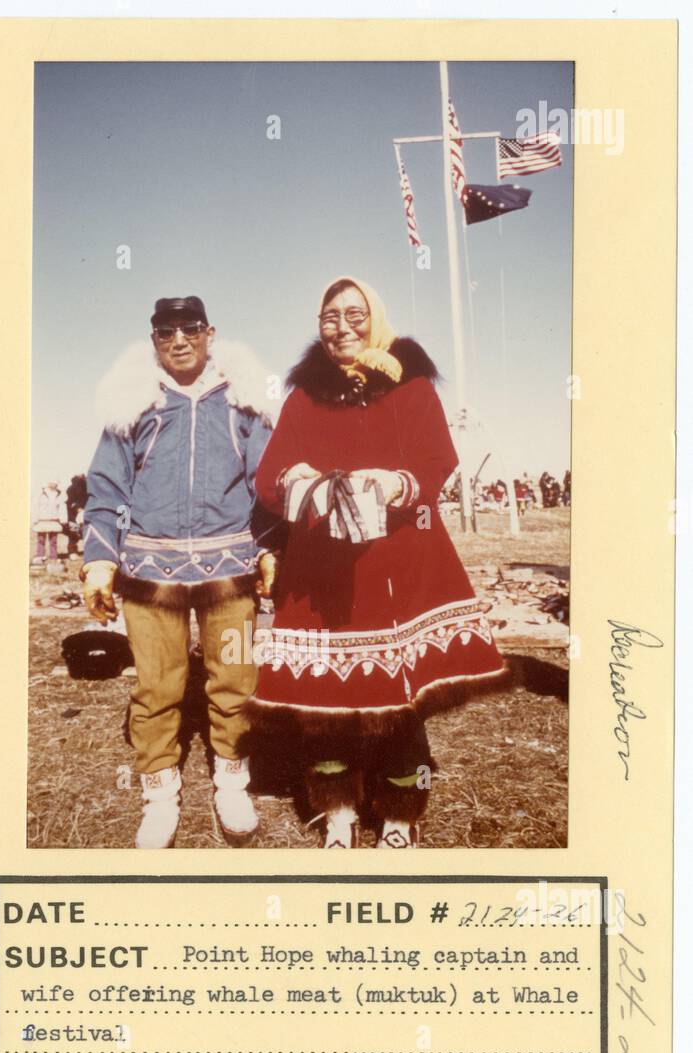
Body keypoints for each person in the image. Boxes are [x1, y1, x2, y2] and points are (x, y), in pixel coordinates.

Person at [249, 276, 505, 848]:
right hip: (322, 574)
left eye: (354, 313)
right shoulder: (303, 397)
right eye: (329, 316)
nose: (342, 326)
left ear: (376, 317)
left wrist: (395, 483)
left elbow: (437, 458)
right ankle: (336, 809)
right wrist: (299, 482)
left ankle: (399, 811)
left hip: (400, 562)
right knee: (325, 706)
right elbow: (270, 475)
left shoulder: (410, 387)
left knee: (399, 704)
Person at [80, 296, 278, 849]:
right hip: (150, 572)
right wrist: (100, 560)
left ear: (210, 332)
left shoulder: (242, 403)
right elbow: (106, 487)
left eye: (190, 328)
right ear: (154, 342)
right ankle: (160, 796)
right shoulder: (132, 405)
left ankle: (232, 782)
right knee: (157, 685)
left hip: (230, 570)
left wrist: (269, 549)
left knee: (234, 677)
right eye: (166, 332)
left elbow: (267, 484)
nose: (179, 340)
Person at [31, 481, 67, 568]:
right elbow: (35, 506)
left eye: (55, 482)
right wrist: (34, 519)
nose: (53, 484)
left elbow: (62, 507)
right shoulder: (41, 493)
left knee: (53, 541)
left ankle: (53, 557)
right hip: (42, 520)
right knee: (41, 540)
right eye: (51, 482)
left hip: (54, 520)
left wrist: (63, 518)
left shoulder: (59, 494)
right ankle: (40, 556)